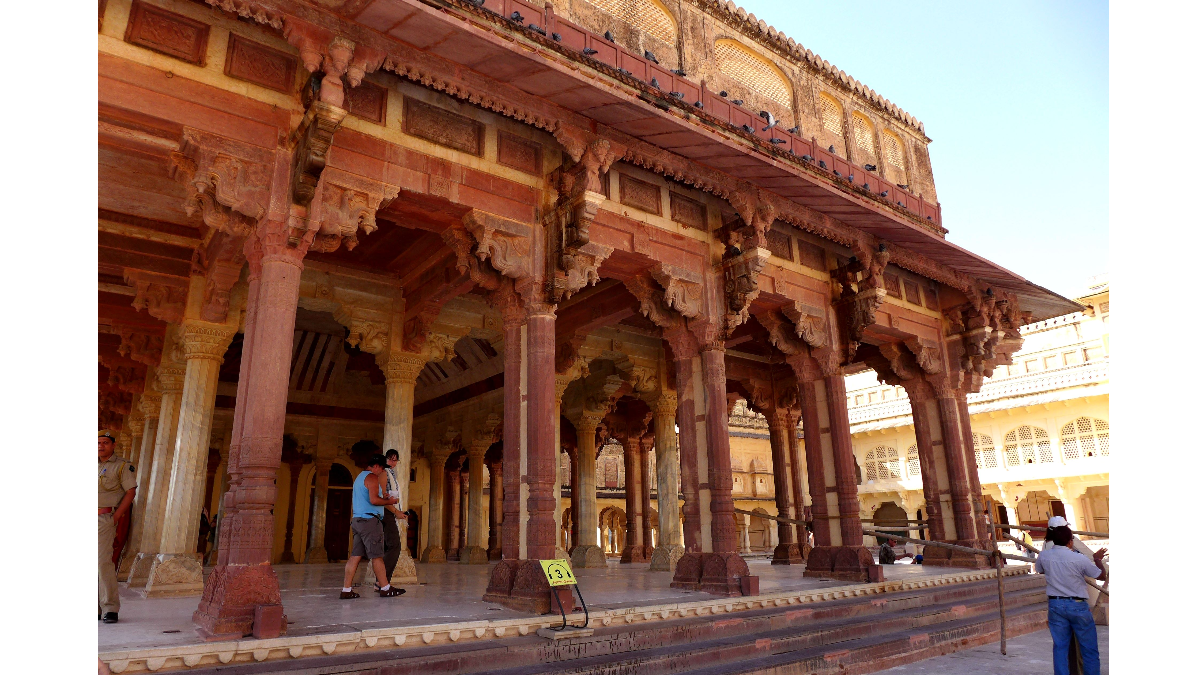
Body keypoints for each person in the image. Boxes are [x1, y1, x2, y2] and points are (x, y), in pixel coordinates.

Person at [1034, 516, 1107, 675]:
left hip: (1056, 605)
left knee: (1060, 648)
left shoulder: (1044, 555)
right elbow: (1100, 575)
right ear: (1070, 541)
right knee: (1089, 649)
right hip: (1077, 604)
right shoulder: (1078, 557)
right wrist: (1097, 559)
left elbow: (1039, 569)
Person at [341, 454, 406, 599]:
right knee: (377, 556)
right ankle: (385, 588)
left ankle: (346, 589)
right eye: (382, 468)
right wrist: (390, 501)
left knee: (355, 556)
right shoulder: (371, 477)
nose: (382, 471)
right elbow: (374, 500)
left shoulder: (359, 477)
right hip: (370, 521)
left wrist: (384, 498)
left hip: (358, 520)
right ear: (376, 466)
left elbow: (370, 498)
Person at [98, 430, 137, 623]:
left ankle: (110, 608)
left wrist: (116, 517)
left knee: (103, 562)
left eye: (105, 442)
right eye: (98, 443)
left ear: (113, 445)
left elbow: (130, 492)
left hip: (104, 518)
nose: (101, 446)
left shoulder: (122, 466)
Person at [379, 449, 409, 587]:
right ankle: (382, 582)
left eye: (395, 459)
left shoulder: (391, 473)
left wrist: (398, 511)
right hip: (385, 512)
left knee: (389, 547)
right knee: (394, 546)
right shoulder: (384, 473)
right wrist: (395, 511)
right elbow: (382, 496)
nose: (393, 462)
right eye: (390, 459)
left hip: (389, 511)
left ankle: (382, 582)